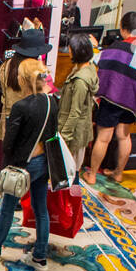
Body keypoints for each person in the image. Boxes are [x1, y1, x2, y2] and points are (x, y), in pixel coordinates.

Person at [0, 60, 58, 269]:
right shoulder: (52, 102)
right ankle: (40, 256)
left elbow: (9, 143)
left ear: (23, 80)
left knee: (7, 207)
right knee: (41, 209)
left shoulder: (21, 107)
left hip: (22, 165)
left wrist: (6, 165)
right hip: (44, 162)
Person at [87, 11, 136, 184]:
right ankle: (118, 173)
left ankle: (92, 174)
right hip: (131, 102)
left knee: (103, 137)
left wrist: (94, 46)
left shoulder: (115, 48)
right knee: (124, 137)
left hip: (111, 98)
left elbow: (98, 63)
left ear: (123, 29)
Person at [0, 28, 52, 143]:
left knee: (9, 157)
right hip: (27, 123)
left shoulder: (6, 65)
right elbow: (47, 92)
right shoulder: (35, 69)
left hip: (8, 118)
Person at [57, 33, 98, 183]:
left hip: (74, 134)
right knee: (71, 170)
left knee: (70, 172)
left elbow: (75, 112)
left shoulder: (80, 81)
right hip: (80, 130)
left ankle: (69, 205)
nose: (68, 51)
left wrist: (64, 137)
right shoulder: (88, 68)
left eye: (70, 48)